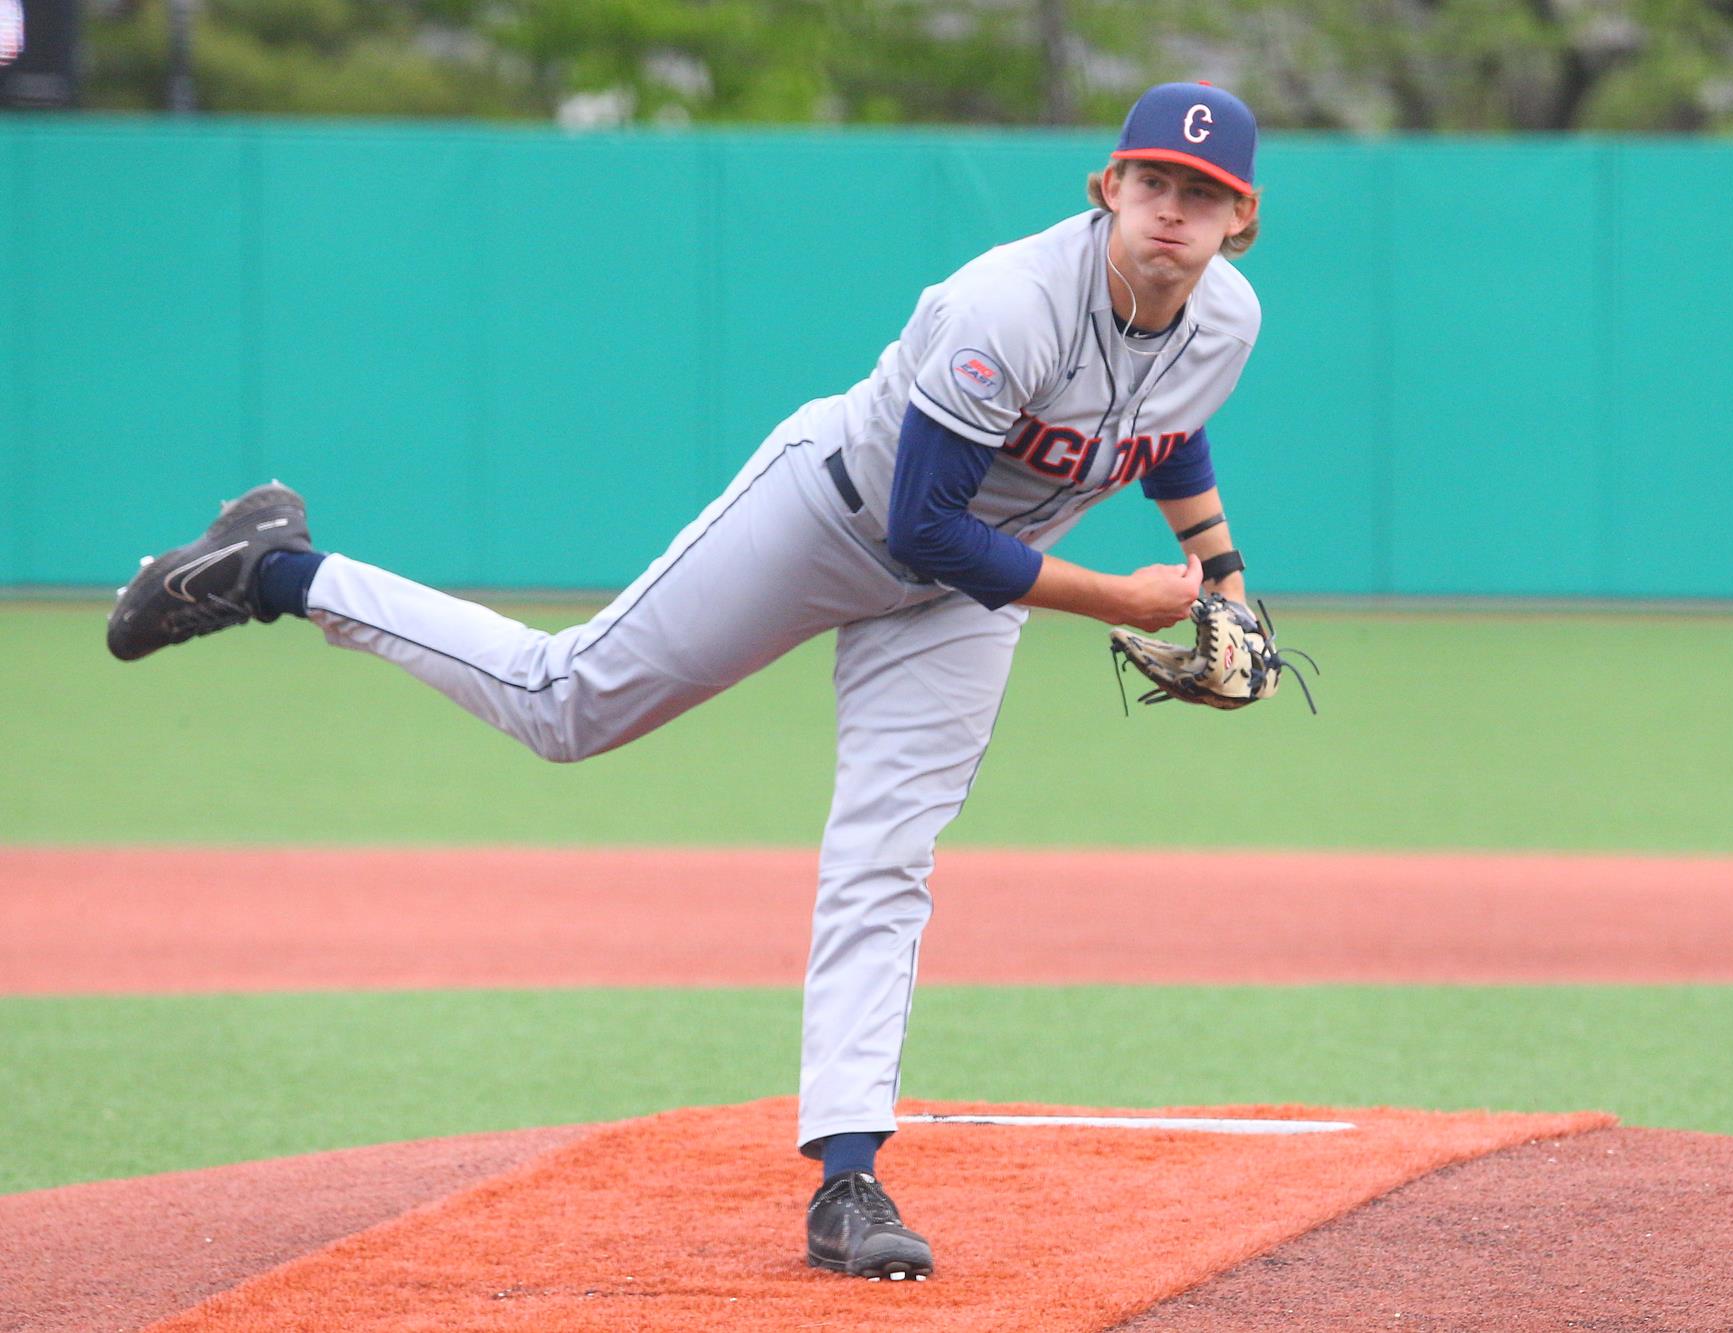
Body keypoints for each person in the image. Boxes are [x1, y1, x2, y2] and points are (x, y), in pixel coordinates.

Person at [107, 80, 1265, 1281]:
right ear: (1107, 186)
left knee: (886, 852)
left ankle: (848, 1181)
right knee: (565, 704)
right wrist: (1119, 599)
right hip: (835, 519)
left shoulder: (1225, 321)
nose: (1170, 210)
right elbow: (928, 528)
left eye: (1201, 194)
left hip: (970, 593)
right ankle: (279, 570)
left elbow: (1163, 429)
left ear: (1238, 218)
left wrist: (1223, 577)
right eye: (1152, 182)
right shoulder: (1008, 303)